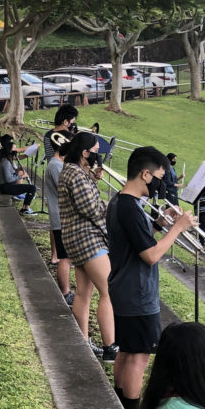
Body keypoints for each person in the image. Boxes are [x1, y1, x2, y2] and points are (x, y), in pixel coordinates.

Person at [106, 146, 195, 409]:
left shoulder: (121, 202)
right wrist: (178, 228)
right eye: (160, 176)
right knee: (139, 358)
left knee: (127, 353)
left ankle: (121, 408)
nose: (162, 183)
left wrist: (159, 222)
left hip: (124, 288)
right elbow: (151, 255)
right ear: (145, 174)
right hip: (137, 293)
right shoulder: (130, 208)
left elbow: (138, 240)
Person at [58, 132, 116, 359]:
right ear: (84, 153)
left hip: (76, 240)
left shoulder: (76, 173)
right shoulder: (75, 175)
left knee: (83, 293)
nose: (97, 157)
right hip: (88, 240)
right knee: (108, 291)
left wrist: (93, 179)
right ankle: (111, 347)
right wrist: (115, 208)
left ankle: (83, 341)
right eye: (95, 152)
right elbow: (92, 209)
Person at [44, 136, 74, 305]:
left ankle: (66, 292)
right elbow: (65, 189)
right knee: (65, 258)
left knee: (66, 257)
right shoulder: (56, 165)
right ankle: (65, 293)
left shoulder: (57, 164)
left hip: (61, 216)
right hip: (60, 216)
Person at [0, 140, 35, 214]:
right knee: (32, 188)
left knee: (31, 188)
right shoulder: (6, 162)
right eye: (14, 149)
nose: (16, 151)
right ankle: (25, 209)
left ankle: (25, 208)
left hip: (7, 186)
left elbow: (10, 175)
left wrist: (17, 171)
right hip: (5, 188)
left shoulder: (8, 160)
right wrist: (21, 176)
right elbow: (8, 179)